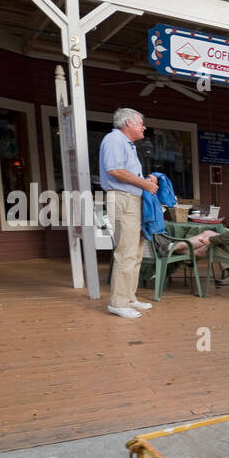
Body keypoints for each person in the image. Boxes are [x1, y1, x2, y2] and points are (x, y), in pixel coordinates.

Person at [99, 108, 158, 319]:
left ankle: (129, 298)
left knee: (136, 252)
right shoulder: (114, 139)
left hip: (132, 200)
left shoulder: (128, 145)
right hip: (123, 200)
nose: (144, 127)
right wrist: (144, 183)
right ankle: (118, 302)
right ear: (128, 123)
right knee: (126, 253)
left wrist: (146, 182)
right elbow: (114, 170)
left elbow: (126, 172)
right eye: (141, 123)